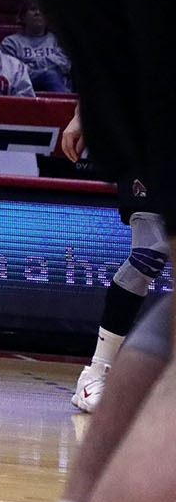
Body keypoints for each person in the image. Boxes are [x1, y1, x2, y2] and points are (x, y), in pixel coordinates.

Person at [58, 108, 167, 416]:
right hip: (144, 139)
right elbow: (106, 74)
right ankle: (96, 372)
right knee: (150, 251)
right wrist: (82, 115)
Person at [1, 0, 72, 93]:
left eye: (42, 10)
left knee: (51, 76)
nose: (38, 13)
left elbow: (65, 65)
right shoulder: (10, 42)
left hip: (57, 84)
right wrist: (48, 65)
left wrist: (30, 66)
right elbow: (11, 71)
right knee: (49, 75)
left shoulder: (59, 40)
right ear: (23, 17)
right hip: (22, 86)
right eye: (33, 9)